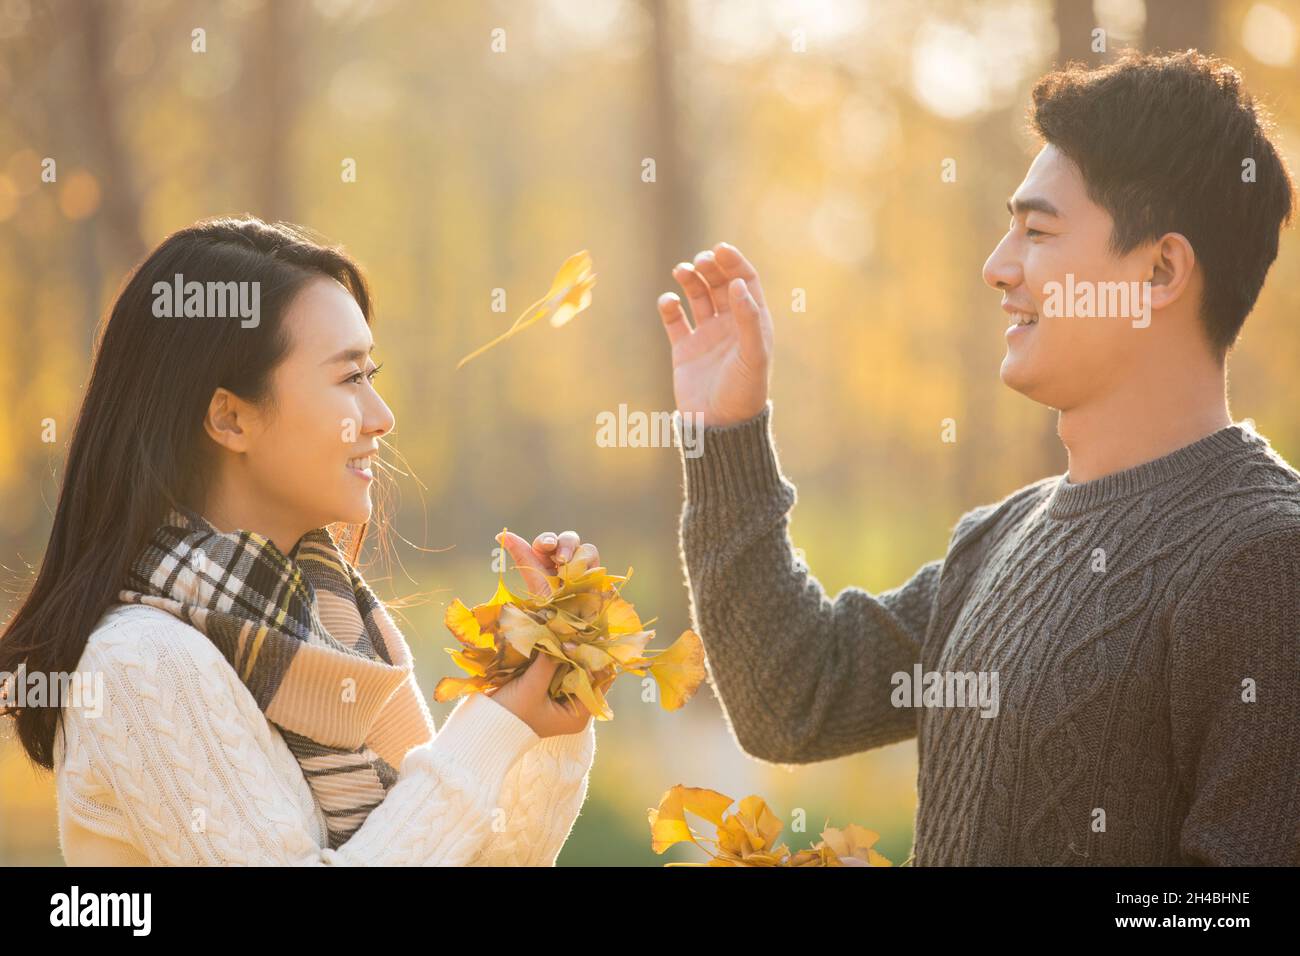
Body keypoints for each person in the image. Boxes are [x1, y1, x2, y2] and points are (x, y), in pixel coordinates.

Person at [652, 50, 1300, 865]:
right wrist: (726, 434)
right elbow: (792, 697)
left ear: (1160, 270)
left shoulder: (1269, 561)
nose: (997, 268)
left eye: (1037, 231)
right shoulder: (999, 539)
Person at [0, 216, 596, 865]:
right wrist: (488, 730)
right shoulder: (142, 661)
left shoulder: (339, 631)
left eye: (373, 373)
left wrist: (543, 699)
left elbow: (468, 857)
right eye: (349, 378)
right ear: (230, 417)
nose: (382, 416)